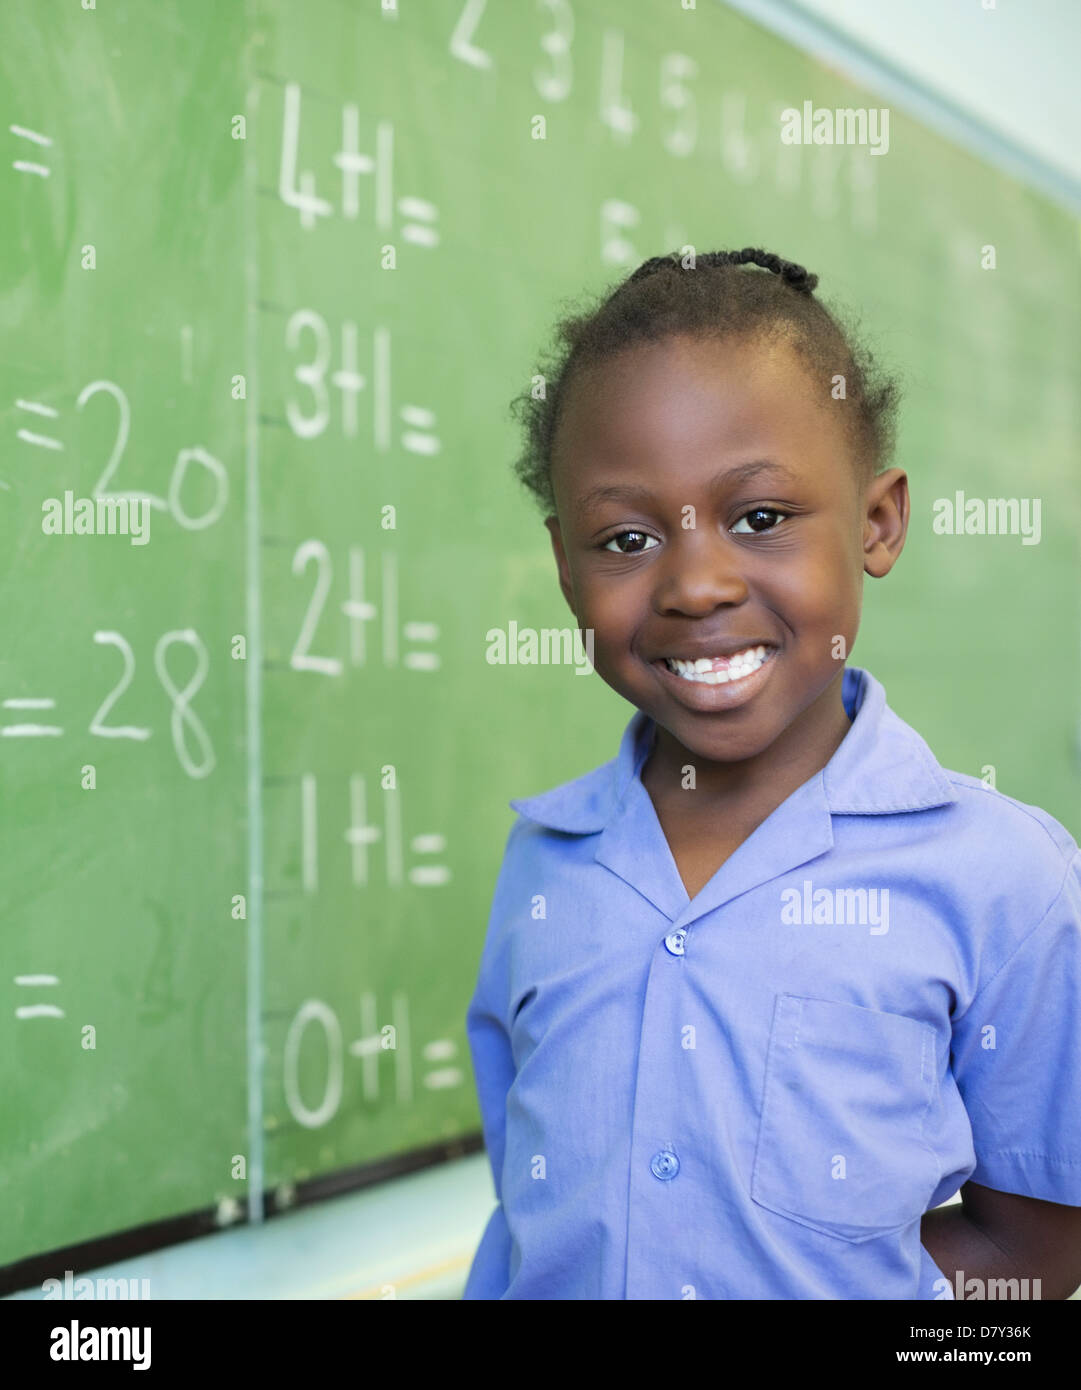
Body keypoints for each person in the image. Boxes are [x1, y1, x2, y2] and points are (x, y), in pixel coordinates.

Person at [462, 247, 1081, 1299]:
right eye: (625, 536)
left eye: (759, 518)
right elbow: (535, 1198)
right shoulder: (544, 866)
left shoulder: (1003, 879)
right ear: (565, 566)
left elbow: (1039, 1246)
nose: (697, 585)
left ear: (877, 522)